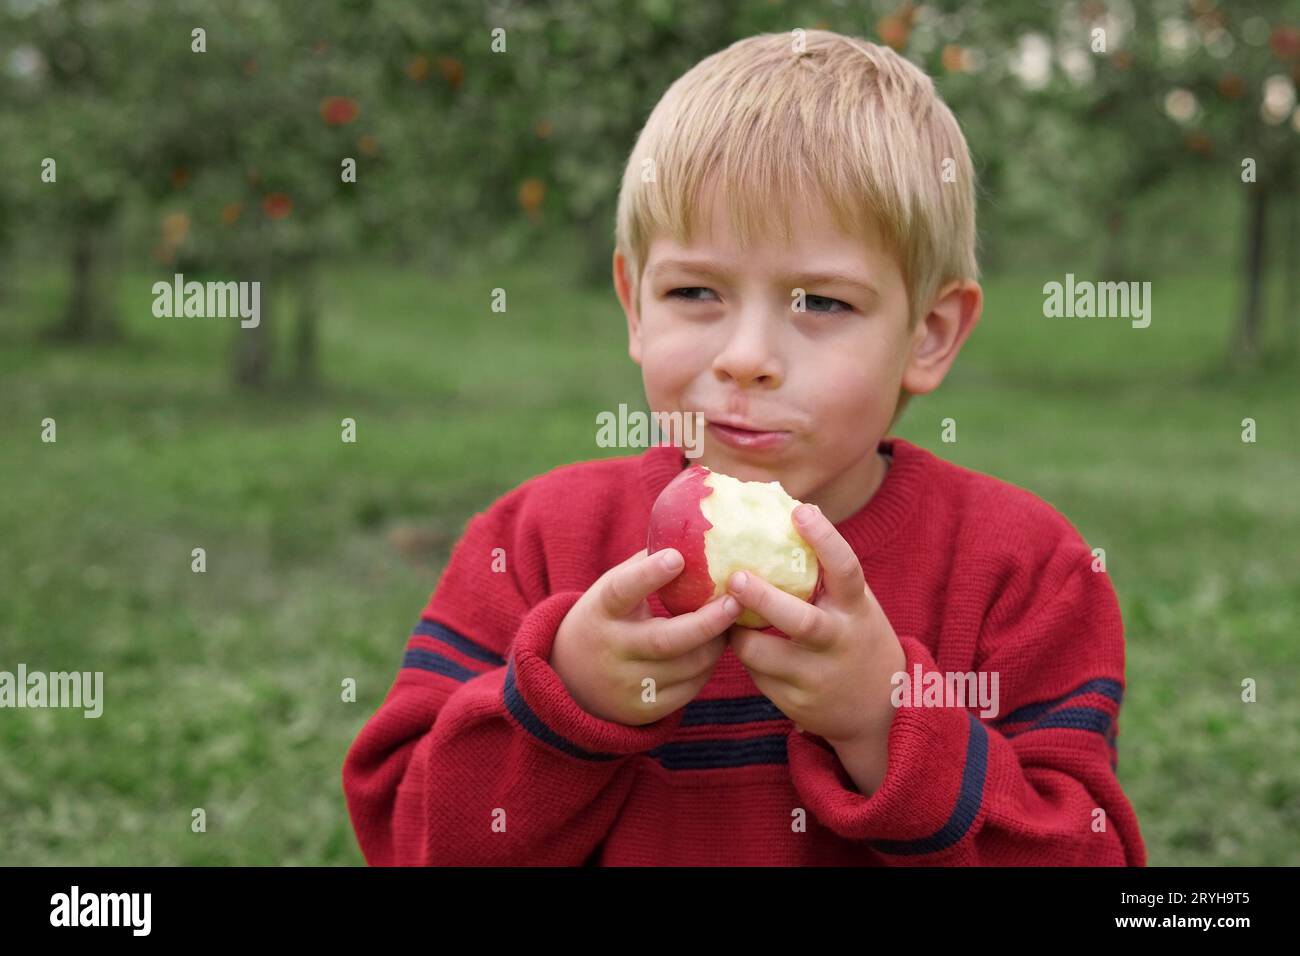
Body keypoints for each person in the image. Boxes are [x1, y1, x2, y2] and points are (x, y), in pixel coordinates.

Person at [343, 30, 1146, 866]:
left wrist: (889, 722)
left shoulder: (1024, 573)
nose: (747, 357)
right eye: (694, 292)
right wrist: (562, 704)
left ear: (929, 334)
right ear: (633, 304)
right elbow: (408, 833)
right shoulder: (535, 543)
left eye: (822, 303)